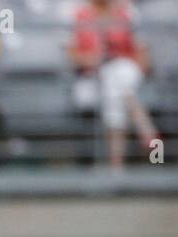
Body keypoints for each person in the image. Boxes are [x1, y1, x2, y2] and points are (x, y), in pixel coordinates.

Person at [70, 0, 158, 170]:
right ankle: (147, 132)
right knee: (115, 86)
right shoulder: (77, 12)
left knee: (118, 75)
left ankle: (116, 168)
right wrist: (94, 60)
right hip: (93, 77)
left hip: (128, 73)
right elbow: (72, 56)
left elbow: (143, 56)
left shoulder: (128, 11)